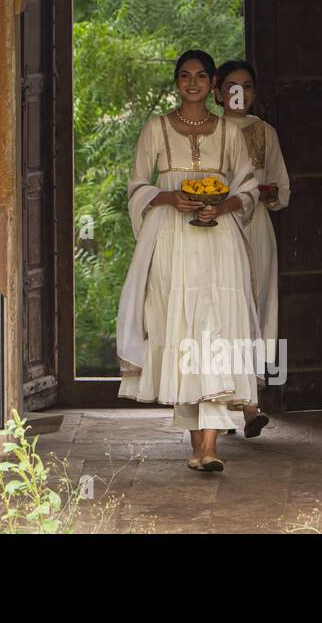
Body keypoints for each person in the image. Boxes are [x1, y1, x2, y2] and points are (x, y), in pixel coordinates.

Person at [117, 49, 261, 473]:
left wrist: (221, 206)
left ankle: (210, 446)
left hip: (220, 242)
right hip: (171, 240)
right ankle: (196, 444)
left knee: (217, 326)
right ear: (176, 82)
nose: (193, 83)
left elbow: (248, 187)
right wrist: (167, 196)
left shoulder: (230, 133)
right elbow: (136, 185)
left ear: (212, 82)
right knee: (180, 325)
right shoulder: (156, 129)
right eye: (185, 76)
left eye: (201, 76)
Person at [215, 59, 291, 438]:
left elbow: (281, 189)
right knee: (222, 310)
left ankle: (249, 405)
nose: (238, 93)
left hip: (256, 227)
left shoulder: (266, 133)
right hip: (215, 227)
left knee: (256, 307)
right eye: (231, 85)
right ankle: (226, 403)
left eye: (246, 86)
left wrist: (264, 193)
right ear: (217, 92)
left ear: (254, 93)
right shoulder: (206, 132)